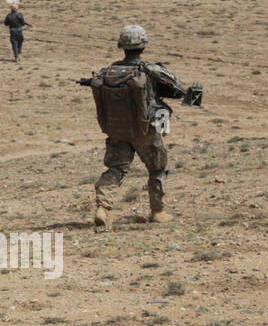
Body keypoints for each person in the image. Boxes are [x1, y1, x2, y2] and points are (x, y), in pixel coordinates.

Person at [79, 25, 201, 227]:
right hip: (146, 130)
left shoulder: (107, 72)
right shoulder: (150, 70)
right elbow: (179, 90)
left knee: (116, 168)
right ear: (143, 46)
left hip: (117, 130)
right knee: (157, 169)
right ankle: (158, 211)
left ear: (122, 46)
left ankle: (102, 207)